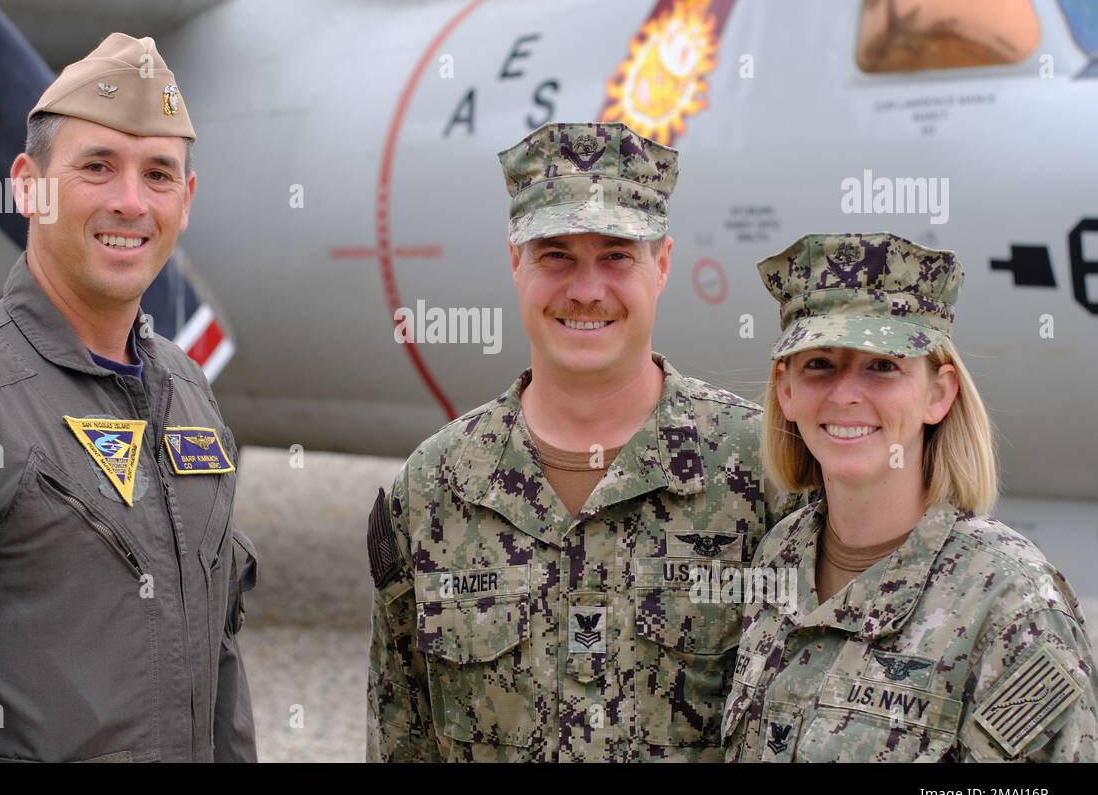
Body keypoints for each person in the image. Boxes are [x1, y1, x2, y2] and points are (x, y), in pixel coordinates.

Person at [0, 33, 257, 762]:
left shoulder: (187, 394)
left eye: (158, 175)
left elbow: (217, 668)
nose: (131, 201)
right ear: (27, 185)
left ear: (184, 202)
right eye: (97, 167)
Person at [366, 121, 793, 761]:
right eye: (555, 253)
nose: (586, 290)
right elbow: (401, 732)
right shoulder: (436, 485)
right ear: (516, 264)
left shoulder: (760, 472)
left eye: (617, 254)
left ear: (663, 265)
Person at [723, 231, 1098, 762]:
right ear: (786, 390)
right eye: (819, 364)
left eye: (883, 366)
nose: (846, 393)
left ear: (939, 392)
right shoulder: (781, 557)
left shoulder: (1010, 601)